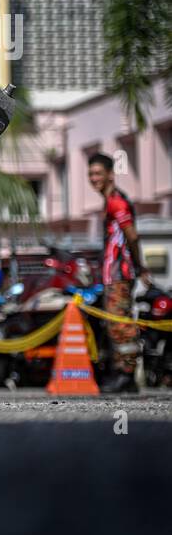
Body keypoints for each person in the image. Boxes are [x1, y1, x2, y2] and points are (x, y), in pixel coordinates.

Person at [87, 152, 149, 393]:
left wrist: (139, 265)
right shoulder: (109, 201)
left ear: (110, 174)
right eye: (91, 174)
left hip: (119, 275)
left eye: (98, 173)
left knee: (120, 325)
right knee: (114, 324)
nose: (93, 178)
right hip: (112, 276)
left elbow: (132, 235)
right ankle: (122, 373)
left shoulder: (116, 202)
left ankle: (126, 375)